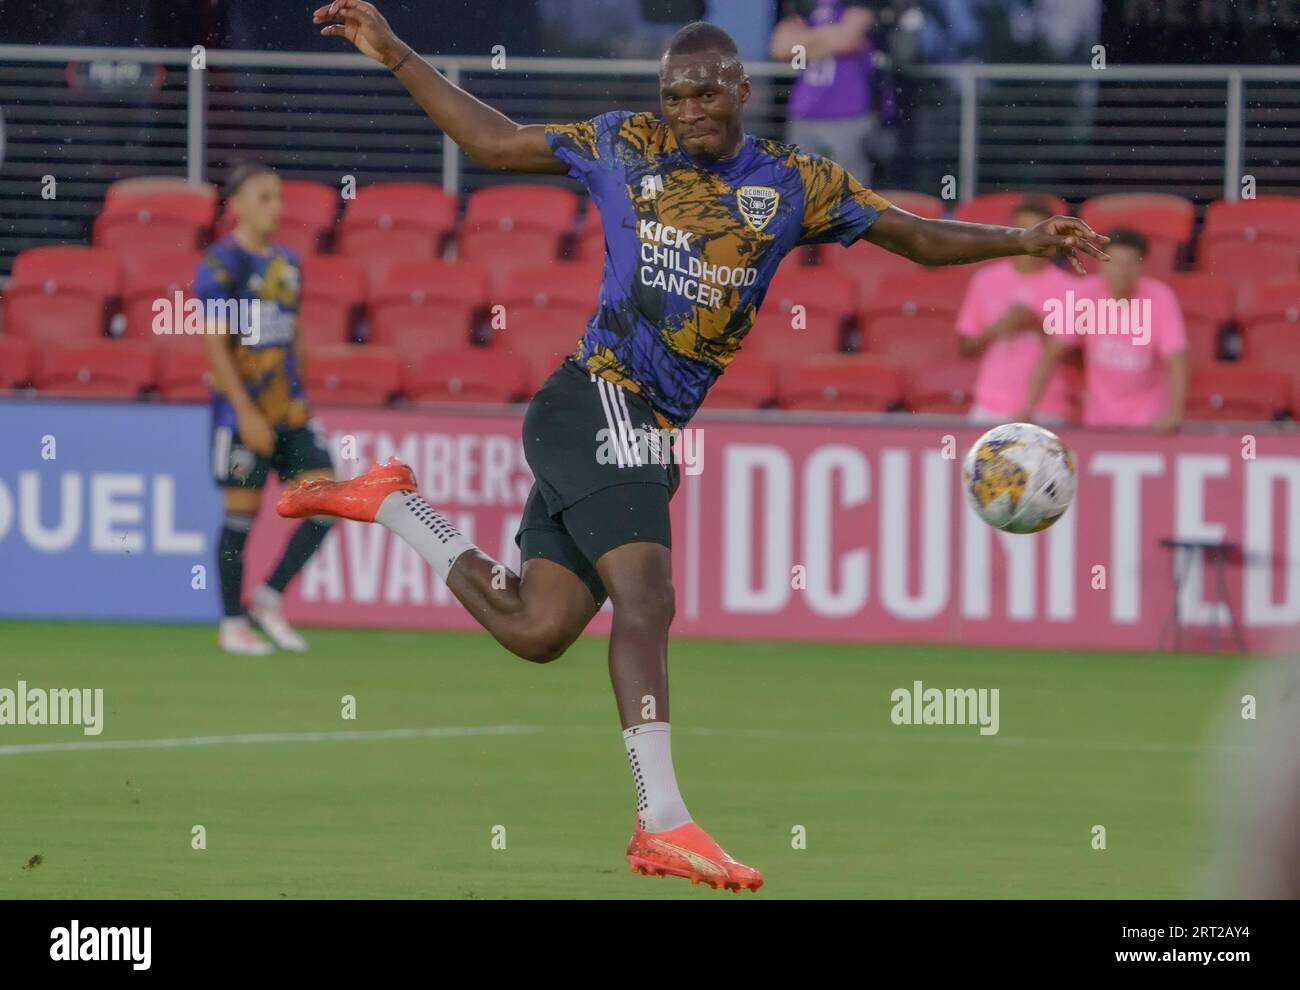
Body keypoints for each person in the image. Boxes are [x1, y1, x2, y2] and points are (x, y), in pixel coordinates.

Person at [283, 0, 1108, 891]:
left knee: (537, 629)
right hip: (595, 397)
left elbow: (913, 236)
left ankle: (398, 507)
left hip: (649, 426)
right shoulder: (621, 142)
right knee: (649, 596)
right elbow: (494, 143)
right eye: (675, 95)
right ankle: (664, 823)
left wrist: (1023, 237)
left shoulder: (797, 183)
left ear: (743, 89)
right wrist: (398, 52)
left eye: (705, 93)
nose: (687, 110)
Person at [197, 163, 336, 655]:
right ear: (236, 205)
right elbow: (215, 348)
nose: (275, 207)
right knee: (241, 517)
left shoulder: (288, 263)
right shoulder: (221, 265)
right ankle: (232, 623)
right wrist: (248, 413)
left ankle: (269, 597)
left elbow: (292, 330)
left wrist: (300, 391)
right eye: (263, 197)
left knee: (327, 500)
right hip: (241, 416)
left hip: (288, 408)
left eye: (278, 196)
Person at [1018, 227, 1186, 431]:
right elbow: (1052, 352)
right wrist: (1028, 407)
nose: (1121, 271)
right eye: (1113, 262)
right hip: (1098, 423)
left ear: (1142, 266)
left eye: (1129, 263)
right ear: (1101, 264)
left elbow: (1176, 359)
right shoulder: (1085, 295)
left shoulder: (1161, 298)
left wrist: (1174, 414)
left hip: (1147, 423)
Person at [956, 195, 1077, 425]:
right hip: (990, 405)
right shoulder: (986, 280)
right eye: (1023, 230)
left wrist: (1037, 325)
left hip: (1047, 409)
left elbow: (1075, 359)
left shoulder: (1069, 288)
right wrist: (996, 329)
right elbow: (965, 347)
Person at [770, 0, 880, 185]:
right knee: (801, 191)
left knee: (850, 195)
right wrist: (831, 38)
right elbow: (779, 47)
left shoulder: (857, 4)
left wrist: (803, 41)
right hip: (804, 111)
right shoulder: (804, 4)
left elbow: (847, 39)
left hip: (848, 112)